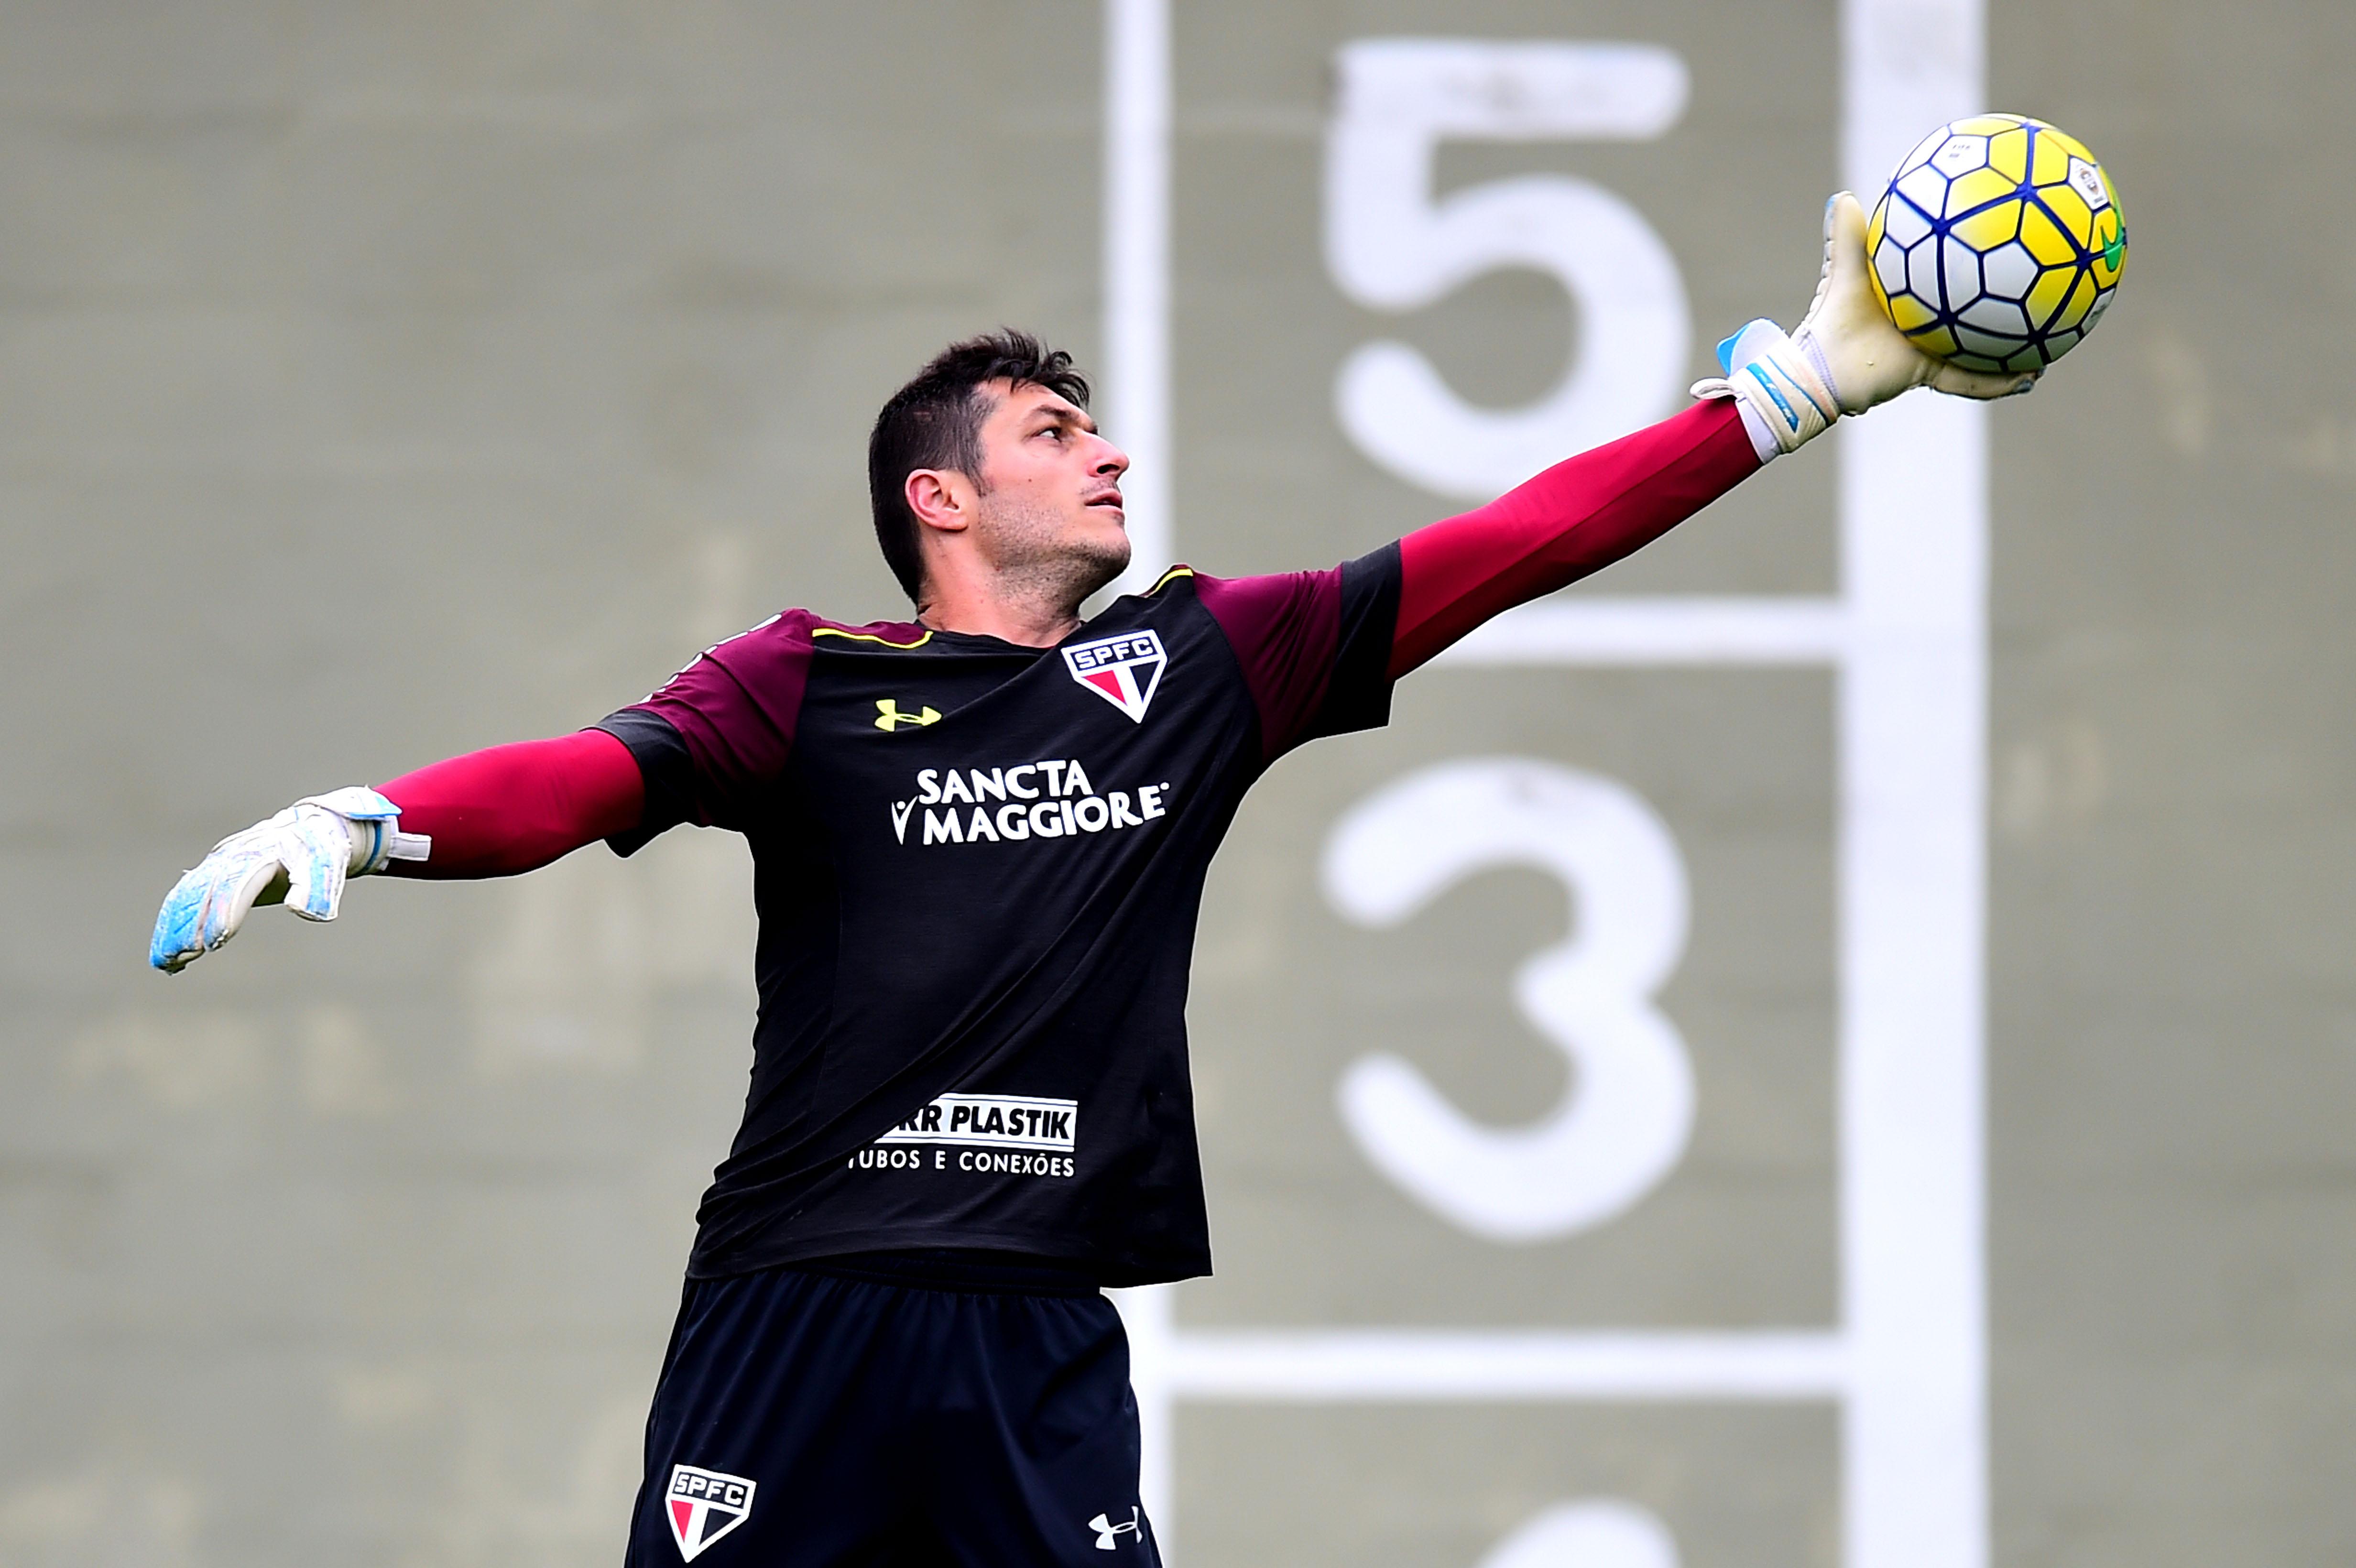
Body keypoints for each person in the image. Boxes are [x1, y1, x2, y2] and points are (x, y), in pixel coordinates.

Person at [147, 194, 2028, 1567]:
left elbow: (1514, 543)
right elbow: (582, 780)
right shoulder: (806, 682)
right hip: (799, 1303)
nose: (1110, 449)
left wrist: (1790, 393)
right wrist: (367, 820)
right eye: (1054, 434)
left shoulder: (1202, 665)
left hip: (1034, 1327)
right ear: (939, 502)